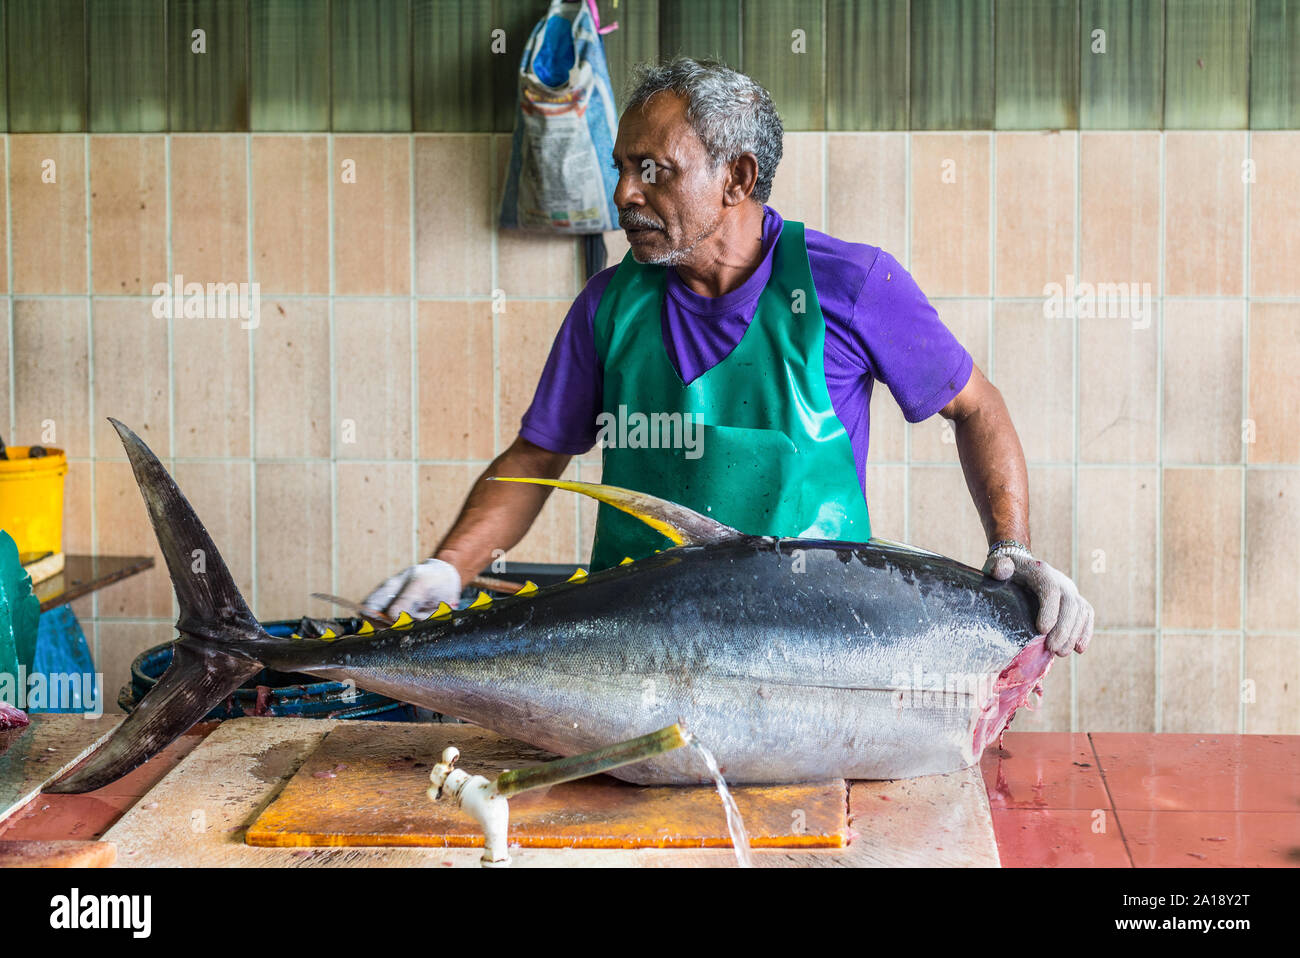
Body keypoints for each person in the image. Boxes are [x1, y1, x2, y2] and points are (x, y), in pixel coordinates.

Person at [364, 57, 1094, 658]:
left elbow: (976, 406)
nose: (624, 194)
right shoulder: (608, 305)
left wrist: (1012, 549)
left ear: (738, 179)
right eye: (622, 167)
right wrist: (449, 566)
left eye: (654, 171)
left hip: (819, 656)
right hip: (635, 654)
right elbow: (538, 454)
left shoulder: (852, 284)